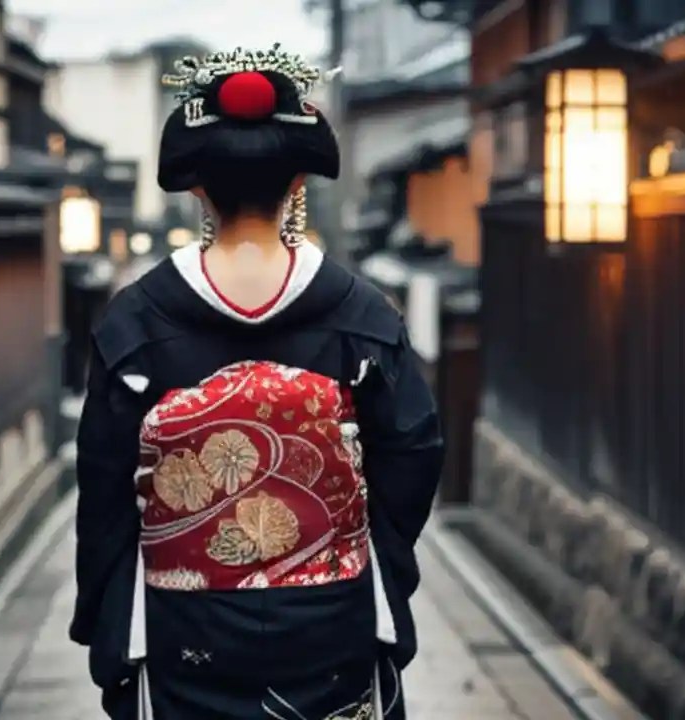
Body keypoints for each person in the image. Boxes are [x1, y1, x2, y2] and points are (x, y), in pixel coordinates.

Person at [69, 45, 444, 720]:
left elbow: (102, 486)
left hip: (186, 627)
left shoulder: (137, 321)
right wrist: (353, 551)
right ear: (300, 182)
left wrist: (112, 612)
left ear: (197, 188)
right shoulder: (360, 314)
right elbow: (413, 456)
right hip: (331, 617)